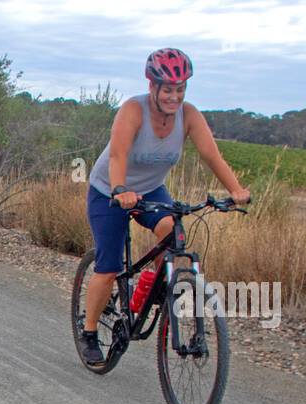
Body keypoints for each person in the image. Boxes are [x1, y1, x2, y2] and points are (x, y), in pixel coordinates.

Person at [81, 48, 252, 364]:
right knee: (108, 268)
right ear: (152, 87)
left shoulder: (189, 116)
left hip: (150, 191)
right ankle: (89, 331)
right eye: (168, 90)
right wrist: (120, 190)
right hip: (110, 190)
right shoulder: (133, 111)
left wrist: (236, 190)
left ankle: (145, 293)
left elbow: (212, 156)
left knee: (174, 235)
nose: (175, 97)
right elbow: (118, 155)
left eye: (180, 89)